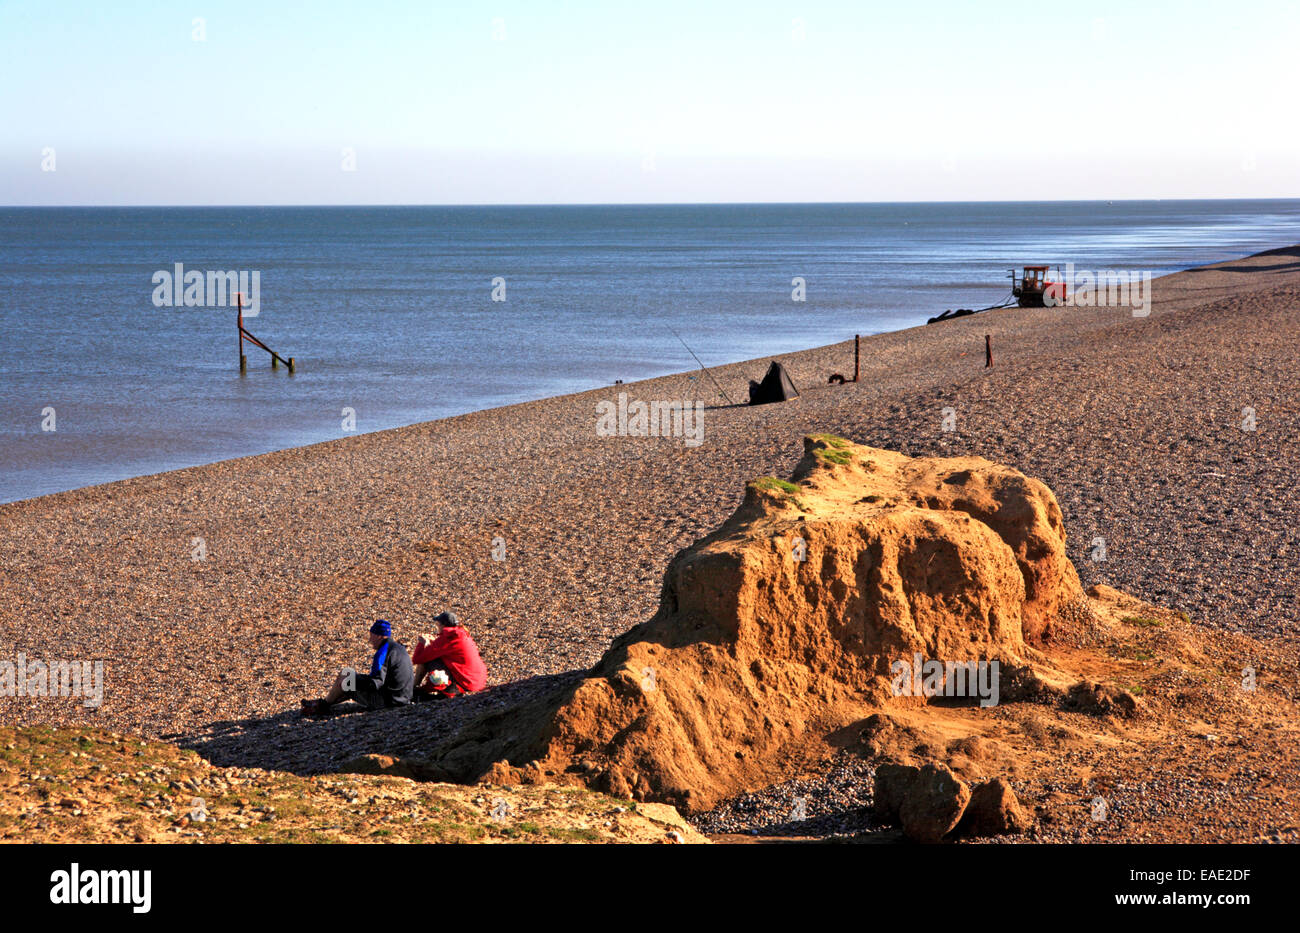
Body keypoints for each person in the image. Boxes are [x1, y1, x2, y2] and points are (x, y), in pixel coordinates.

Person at [301, 619, 413, 716]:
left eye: (371, 636)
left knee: (346, 678)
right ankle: (322, 704)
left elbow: (376, 683)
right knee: (347, 676)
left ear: (379, 636)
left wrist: (354, 679)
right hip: (403, 697)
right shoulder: (398, 648)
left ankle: (322, 705)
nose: (370, 640)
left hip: (388, 702)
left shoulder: (383, 653)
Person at [411, 611, 487, 699]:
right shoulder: (461, 635)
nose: (437, 627)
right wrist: (433, 643)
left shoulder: (447, 638)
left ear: (443, 626)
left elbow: (417, 659)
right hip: (477, 681)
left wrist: (423, 643)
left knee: (426, 660)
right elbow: (447, 649)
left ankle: (413, 688)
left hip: (466, 683)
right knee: (434, 658)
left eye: (437, 624)